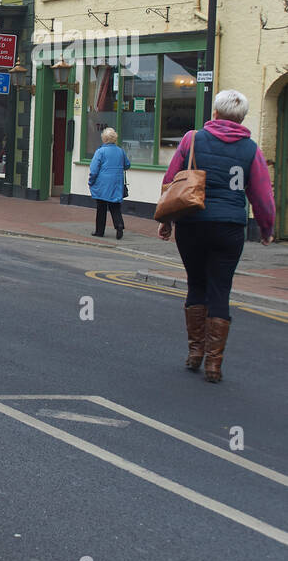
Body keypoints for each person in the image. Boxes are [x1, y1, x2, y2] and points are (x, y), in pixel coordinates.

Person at [158, 90, 276, 383]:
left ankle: (195, 353)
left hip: (193, 223)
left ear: (215, 113)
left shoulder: (192, 139)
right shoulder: (251, 149)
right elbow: (262, 196)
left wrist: (166, 221)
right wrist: (266, 229)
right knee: (220, 289)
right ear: (242, 118)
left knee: (196, 284)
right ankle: (214, 365)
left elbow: (171, 180)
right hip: (230, 228)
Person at [88, 128, 130, 239]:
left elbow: (93, 170)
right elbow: (127, 165)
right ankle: (119, 225)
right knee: (115, 206)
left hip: (102, 183)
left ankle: (99, 231)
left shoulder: (100, 151)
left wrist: (91, 182)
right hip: (116, 182)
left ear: (104, 139)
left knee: (101, 207)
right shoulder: (120, 151)